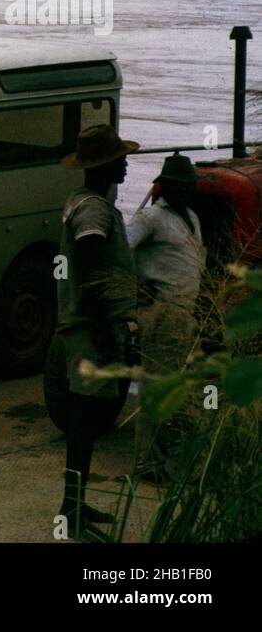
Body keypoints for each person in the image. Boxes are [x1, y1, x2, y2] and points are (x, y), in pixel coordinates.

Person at [54, 124, 141, 540]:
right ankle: (71, 513)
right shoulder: (93, 211)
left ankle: (73, 504)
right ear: (106, 165)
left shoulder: (81, 201)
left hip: (88, 325)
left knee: (82, 423)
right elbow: (91, 272)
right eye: (120, 158)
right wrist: (107, 330)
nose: (126, 163)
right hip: (92, 328)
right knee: (86, 422)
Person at [126, 153, 205, 479]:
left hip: (186, 312)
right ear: (165, 186)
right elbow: (121, 249)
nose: (184, 191)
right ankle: (147, 464)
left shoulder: (191, 217)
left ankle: (166, 457)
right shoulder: (150, 218)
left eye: (189, 186)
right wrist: (137, 287)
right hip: (163, 313)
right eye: (178, 186)